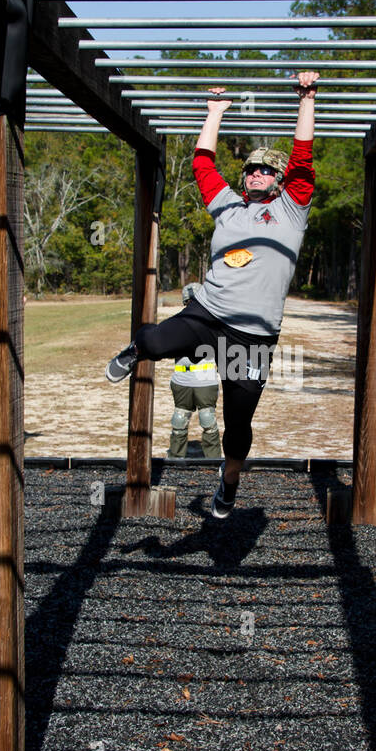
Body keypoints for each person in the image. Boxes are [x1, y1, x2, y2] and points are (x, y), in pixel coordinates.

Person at [105, 70, 319, 517]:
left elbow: (302, 158)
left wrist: (307, 97)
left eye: (266, 169)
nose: (257, 173)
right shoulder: (228, 208)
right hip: (207, 313)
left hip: (254, 337)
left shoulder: (290, 211)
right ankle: (133, 350)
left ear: (278, 180)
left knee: (238, 424)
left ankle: (230, 478)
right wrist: (215, 112)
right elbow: (202, 164)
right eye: (252, 169)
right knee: (157, 341)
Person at [168, 283, 222, 459]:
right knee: (180, 419)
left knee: (206, 419)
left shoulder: (212, 323)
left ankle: (213, 461)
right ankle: (176, 459)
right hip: (184, 379)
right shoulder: (177, 323)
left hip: (203, 380)